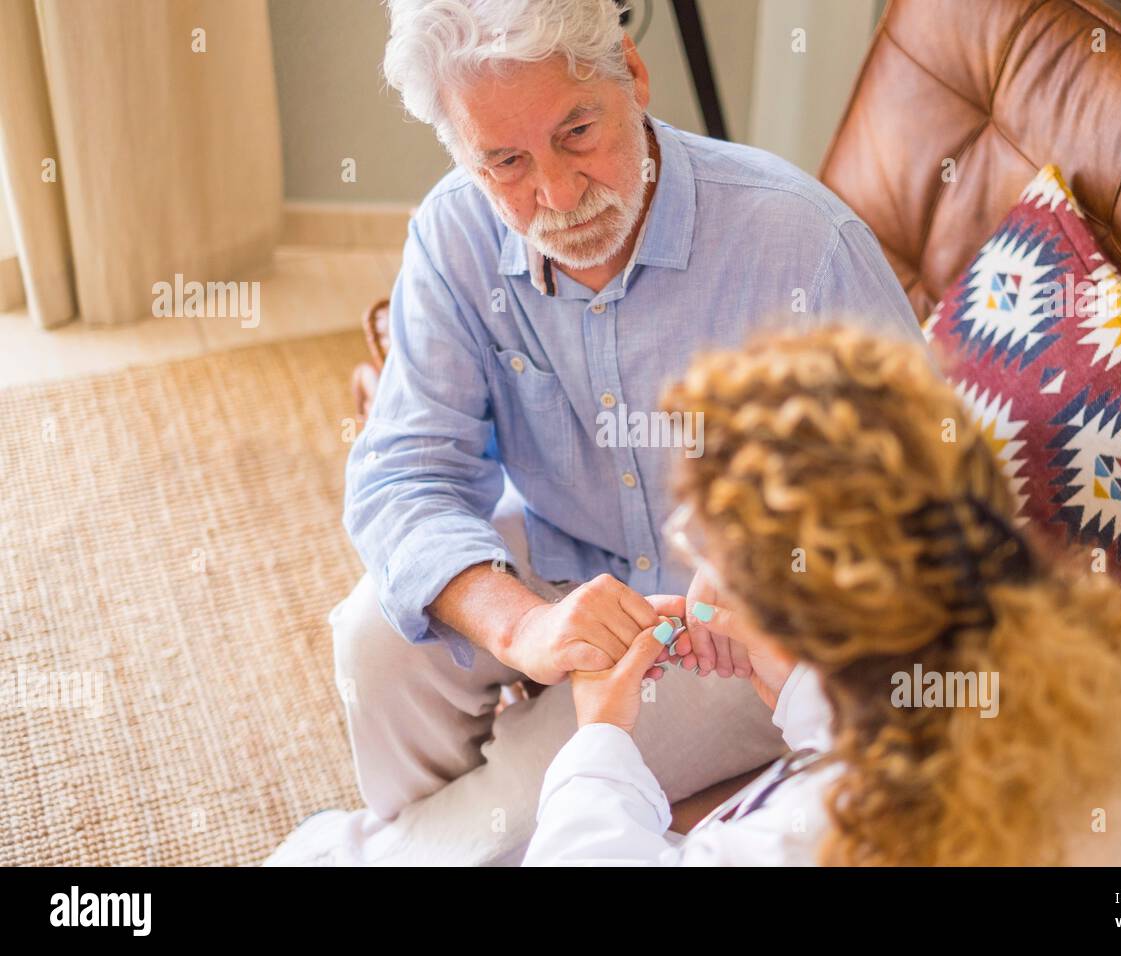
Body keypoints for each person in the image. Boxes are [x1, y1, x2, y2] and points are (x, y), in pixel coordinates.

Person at [266, 0, 920, 866]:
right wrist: (523, 630)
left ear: (631, 76)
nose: (558, 195)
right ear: (464, 154)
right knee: (373, 644)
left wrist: (780, 571)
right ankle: (422, 842)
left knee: (528, 800)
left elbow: (926, 512)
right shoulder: (453, 230)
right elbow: (404, 474)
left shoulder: (803, 243)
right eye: (505, 161)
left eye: (578, 132)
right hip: (562, 544)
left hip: (730, 636)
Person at [523, 325, 1121, 866]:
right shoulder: (1096, 693)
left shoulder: (821, 836)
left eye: (711, 547)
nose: (694, 555)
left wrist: (602, 739)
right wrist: (803, 686)